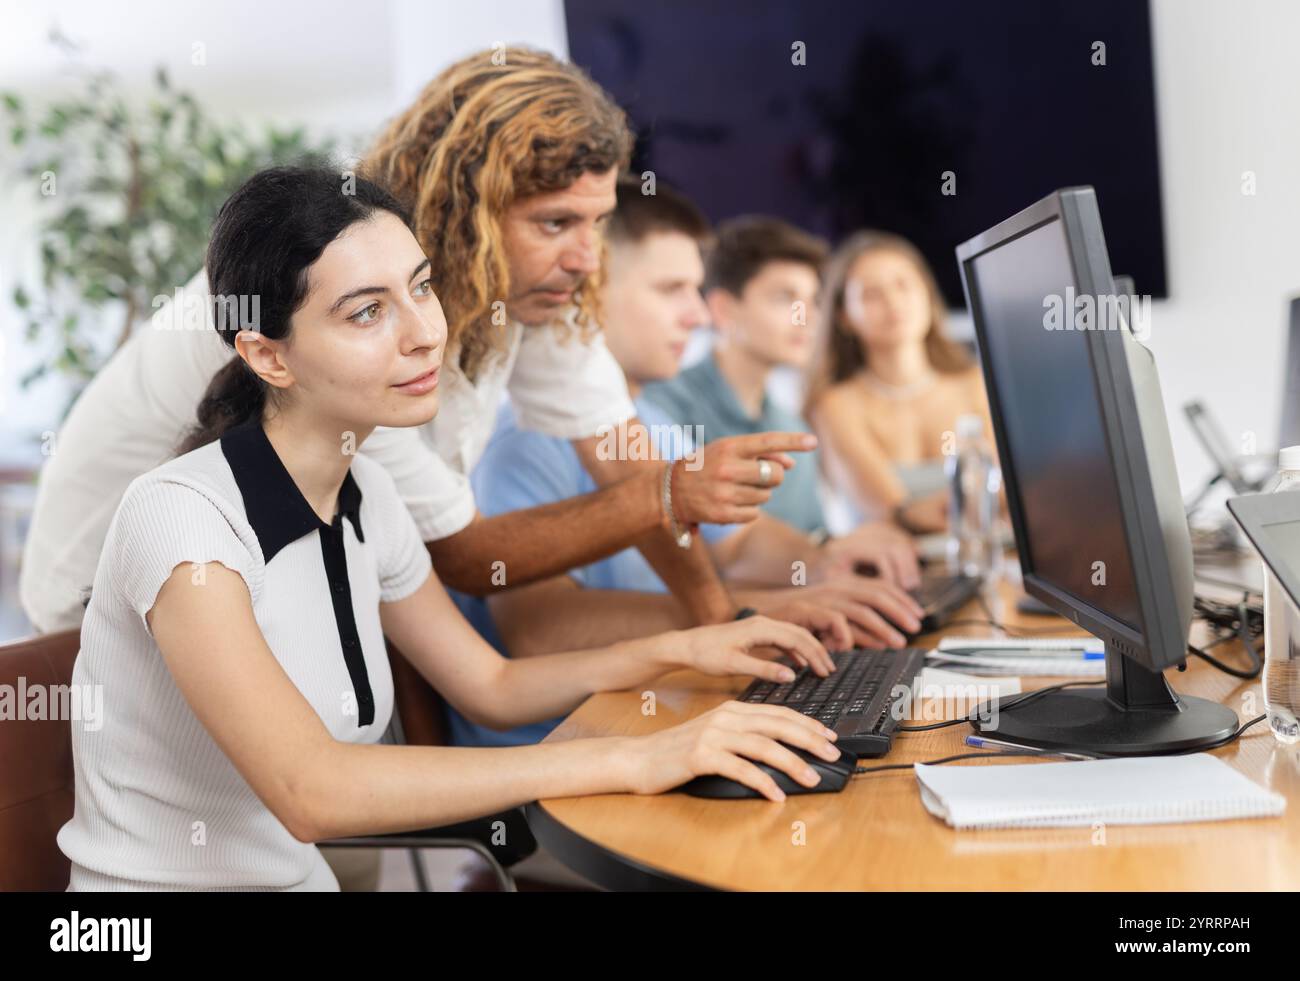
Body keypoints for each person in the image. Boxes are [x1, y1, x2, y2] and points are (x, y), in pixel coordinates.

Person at [57, 167, 844, 892]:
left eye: (421, 287)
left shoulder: (365, 489)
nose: (424, 332)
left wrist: (686, 646)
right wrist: (637, 755)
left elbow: (491, 685)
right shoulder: (182, 516)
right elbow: (313, 791)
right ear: (269, 356)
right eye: (367, 311)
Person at [20, 46, 803, 640]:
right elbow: (466, 554)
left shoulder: (527, 283)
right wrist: (666, 495)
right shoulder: (342, 306)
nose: (585, 257)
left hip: (255, 583)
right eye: (555, 223)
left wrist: (721, 623)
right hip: (102, 605)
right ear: (469, 212)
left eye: (595, 222)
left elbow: (623, 460)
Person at [450, 177, 924, 747]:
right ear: (584, 294)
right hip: (567, 762)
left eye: (697, 291)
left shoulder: (655, 426)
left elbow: (737, 543)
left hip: (657, 725)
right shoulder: (525, 441)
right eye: (672, 289)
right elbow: (540, 630)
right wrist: (752, 614)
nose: (698, 316)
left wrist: (822, 566)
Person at [804, 231, 993, 534]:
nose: (893, 302)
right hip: (888, 571)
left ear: (928, 295)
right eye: (871, 294)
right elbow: (895, 513)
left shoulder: (975, 384)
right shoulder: (834, 405)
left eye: (903, 285)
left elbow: (1012, 496)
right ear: (844, 317)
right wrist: (977, 505)